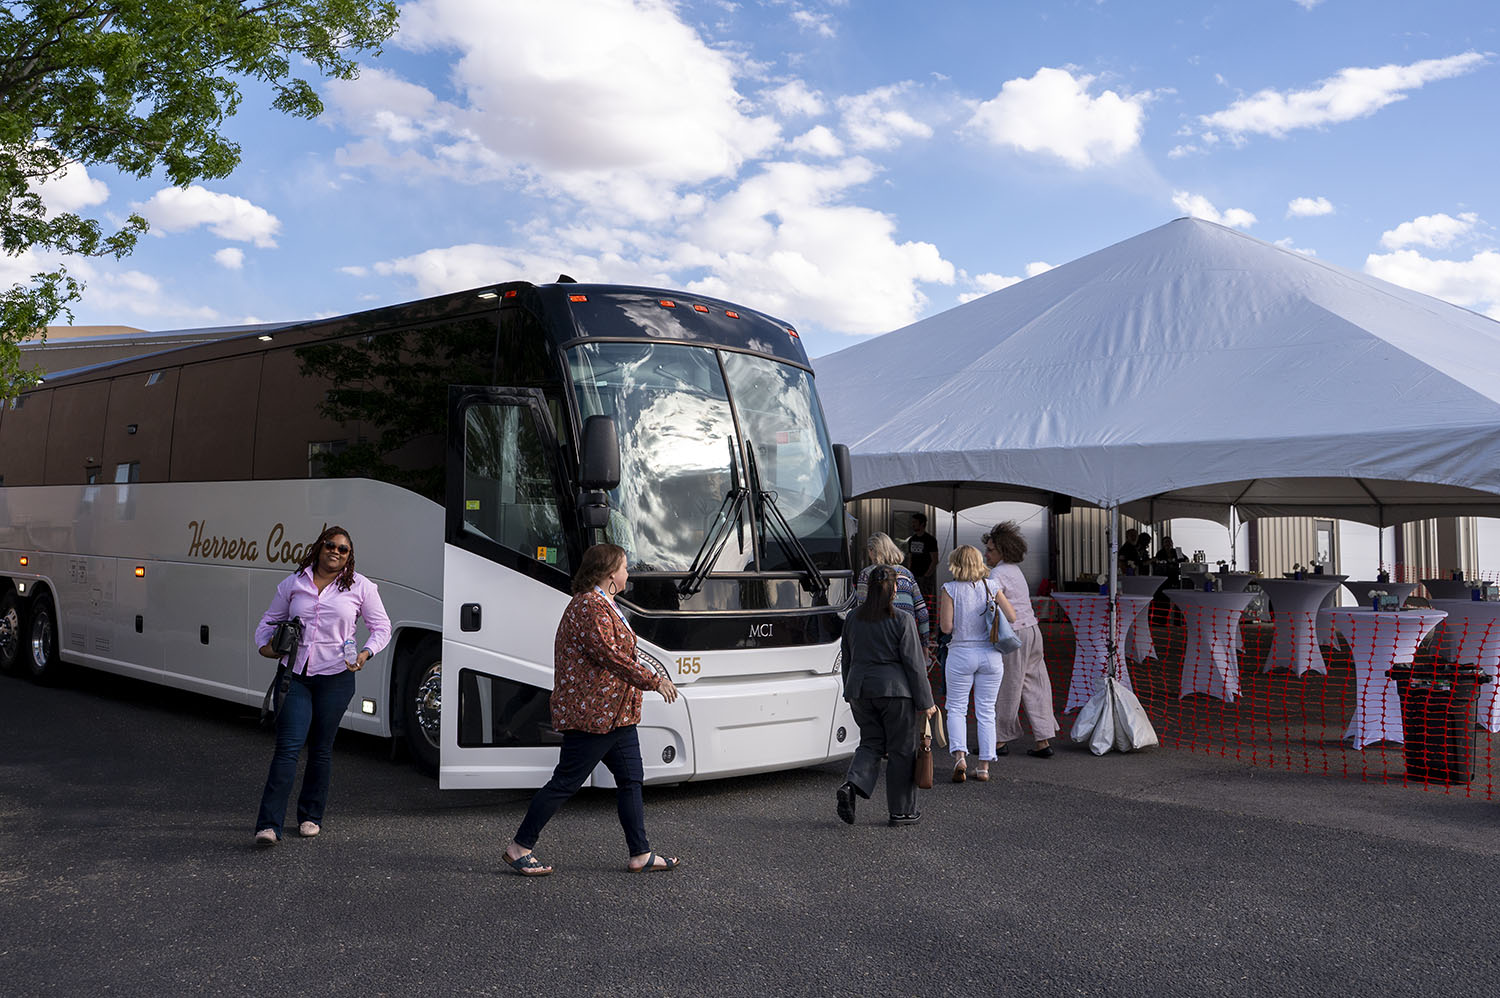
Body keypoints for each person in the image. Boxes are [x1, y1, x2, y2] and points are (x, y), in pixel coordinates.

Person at [502, 544, 681, 876]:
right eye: (625, 567)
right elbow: (611, 656)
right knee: (566, 782)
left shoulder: (605, 604)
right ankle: (519, 848)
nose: (629, 573)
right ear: (610, 573)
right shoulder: (588, 607)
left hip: (616, 717)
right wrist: (654, 681)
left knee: (631, 779)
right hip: (593, 717)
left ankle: (640, 853)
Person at [253, 525, 390, 846]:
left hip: (337, 679)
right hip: (294, 677)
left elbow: (382, 626)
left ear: (349, 556)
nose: (336, 552)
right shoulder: (294, 583)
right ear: (319, 547)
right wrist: (266, 647)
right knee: (287, 748)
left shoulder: (361, 587)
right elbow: (268, 622)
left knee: (321, 749)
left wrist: (367, 652)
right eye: (330, 545)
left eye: (343, 549)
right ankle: (268, 825)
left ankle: (310, 816)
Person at [836, 567, 937, 826]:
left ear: (868, 589)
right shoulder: (902, 619)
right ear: (895, 590)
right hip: (895, 693)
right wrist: (926, 702)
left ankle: (851, 785)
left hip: (860, 691)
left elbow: (847, 658)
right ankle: (902, 811)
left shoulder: (853, 619)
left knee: (870, 743)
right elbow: (915, 664)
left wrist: (849, 690)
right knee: (902, 750)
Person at [984, 521, 1059, 759]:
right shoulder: (1015, 570)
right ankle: (1043, 739)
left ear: (1002, 551)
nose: (986, 554)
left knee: (1008, 685)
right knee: (1036, 685)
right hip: (1033, 631)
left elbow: (990, 605)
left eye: (991, 550)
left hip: (1013, 634)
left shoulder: (997, 573)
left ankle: (999, 740)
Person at [939, 544, 1013, 782]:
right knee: (986, 711)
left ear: (955, 564)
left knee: (957, 708)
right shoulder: (992, 587)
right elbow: (1011, 616)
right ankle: (984, 767)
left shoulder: (950, 589)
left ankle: (960, 758)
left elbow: (946, 628)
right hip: (991, 656)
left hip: (961, 654)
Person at [856, 532, 931, 647]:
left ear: (872, 551)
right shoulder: (907, 574)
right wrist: (925, 642)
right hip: (907, 636)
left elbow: (861, 607)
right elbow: (922, 611)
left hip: (878, 638)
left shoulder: (867, 574)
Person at [905, 513, 939, 597]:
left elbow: (934, 560)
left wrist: (927, 575)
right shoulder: (912, 539)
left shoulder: (930, 540)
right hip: (913, 575)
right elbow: (910, 557)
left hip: (925, 576)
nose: (912, 524)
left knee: (925, 599)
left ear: (922, 524)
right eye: (912, 522)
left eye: (915, 522)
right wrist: (909, 573)